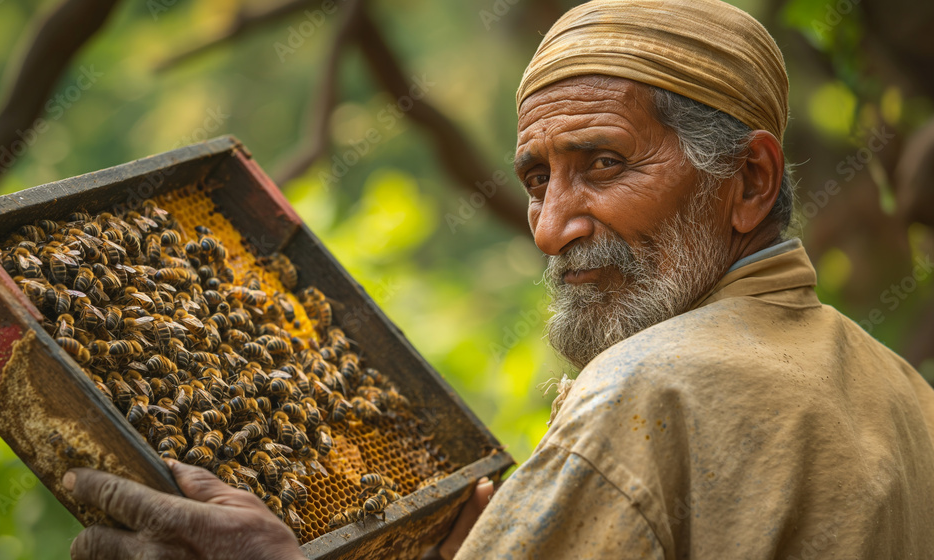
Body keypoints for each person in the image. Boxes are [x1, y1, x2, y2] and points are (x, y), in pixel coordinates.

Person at [64, 0, 934, 558]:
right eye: (536, 180)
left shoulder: (653, 388)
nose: (554, 226)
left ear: (747, 181)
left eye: (601, 164)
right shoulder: (906, 393)